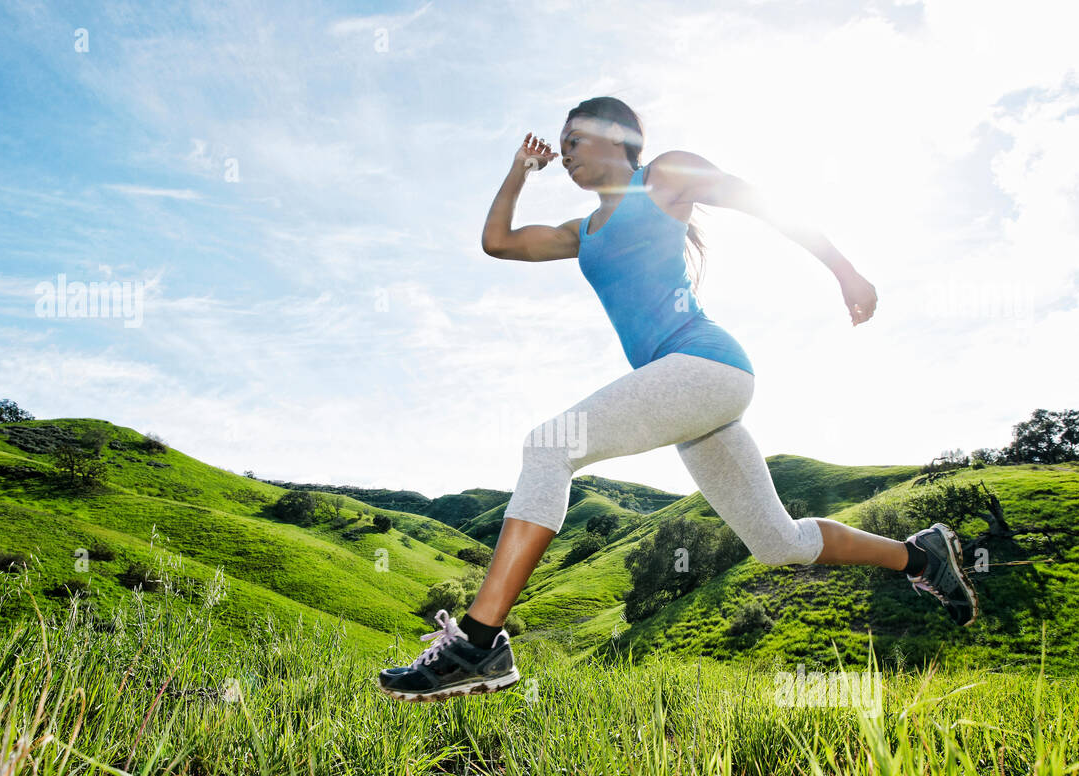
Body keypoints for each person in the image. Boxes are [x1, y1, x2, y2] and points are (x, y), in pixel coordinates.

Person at [378, 97, 977, 703]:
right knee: (779, 544)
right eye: (560, 146)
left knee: (548, 447)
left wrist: (845, 271)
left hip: (706, 367)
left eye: (574, 140)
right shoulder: (582, 232)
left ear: (617, 135)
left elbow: (763, 202)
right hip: (693, 397)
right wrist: (519, 170)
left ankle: (479, 642)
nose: (564, 154)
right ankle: (920, 558)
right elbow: (499, 242)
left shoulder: (663, 177)